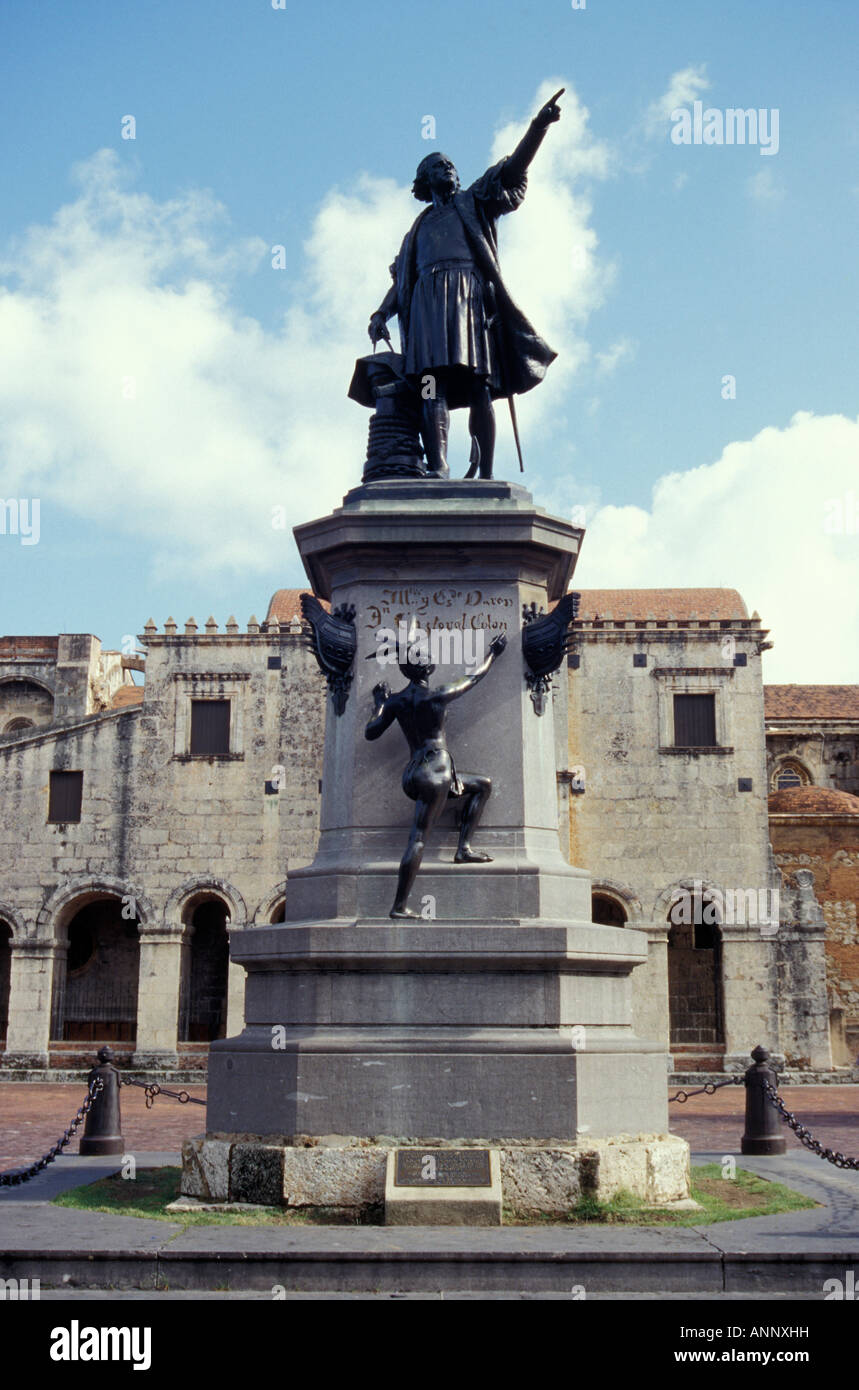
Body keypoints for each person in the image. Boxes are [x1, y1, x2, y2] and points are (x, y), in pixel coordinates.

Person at [367, 91, 563, 479]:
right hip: (425, 307)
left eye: (451, 164)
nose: (449, 168)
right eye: (440, 166)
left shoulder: (473, 202)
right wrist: (381, 312)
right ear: (425, 180)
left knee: (479, 386)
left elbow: (511, 170)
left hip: (466, 299)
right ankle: (438, 466)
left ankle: (486, 472)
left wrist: (537, 128)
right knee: (429, 385)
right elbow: (401, 279)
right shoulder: (417, 230)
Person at [365, 632, 507, 918]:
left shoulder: (396, 701)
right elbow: (473, 678)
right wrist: (493, 653)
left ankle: (463, 848)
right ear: (425, 667)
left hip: (414, 771)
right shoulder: (436, 695)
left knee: (482, 785)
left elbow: (371, 732)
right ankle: (399, 906)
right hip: (436, 769)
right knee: (418, 838)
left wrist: (380, 702)